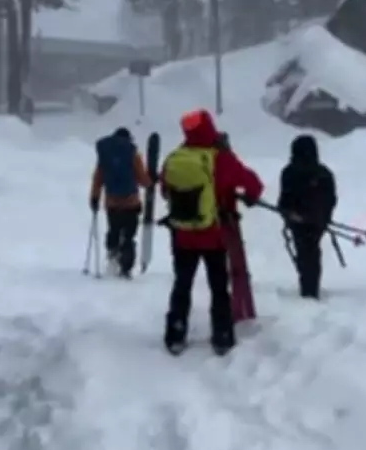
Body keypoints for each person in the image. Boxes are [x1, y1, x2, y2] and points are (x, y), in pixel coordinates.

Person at [160, 110, 263, 354]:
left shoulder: (175, 157)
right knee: (218, 286)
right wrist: (247, 197)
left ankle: (176, 333)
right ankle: (222, 335)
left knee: (182, 284)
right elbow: (253, 184)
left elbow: (165, 190)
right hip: (214, 235)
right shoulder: (221, 158)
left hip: (183, 235)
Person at [277, 134, 337, 300]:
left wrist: (288, 214)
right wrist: (325, 217)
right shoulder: (324, 173)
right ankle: (311, 287)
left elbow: (284, 199)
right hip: (316, 221)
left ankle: (308, 288)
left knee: (305, 252)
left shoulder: (289, 172)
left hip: (300, 221)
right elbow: (331, 199)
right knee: (311, 252)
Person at [89, 127, 152, 277]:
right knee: (129, 235)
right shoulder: (133, 154)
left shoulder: (106, 157)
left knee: (114, 230)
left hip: (112, 203)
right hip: (131, 203)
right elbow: (142, 179)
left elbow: (98, 179)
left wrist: (94, 198)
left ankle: (112, 255)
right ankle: (126, 267)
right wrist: (150, 183)